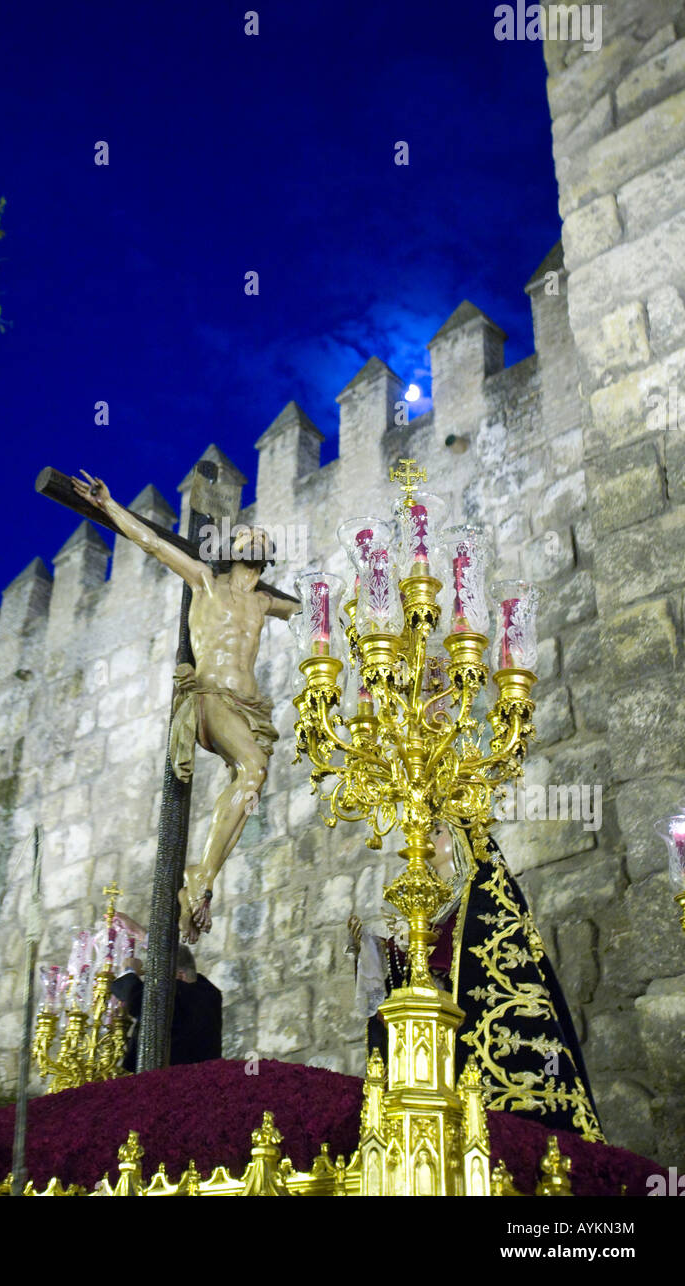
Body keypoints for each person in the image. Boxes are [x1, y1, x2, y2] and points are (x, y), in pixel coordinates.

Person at [71, 471, 296, 943]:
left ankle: (203, 880)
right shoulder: (204, 582)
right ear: (233, 551)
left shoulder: (265, 603)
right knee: (253, 767)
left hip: (247, 706)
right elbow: (151, 542)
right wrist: (109, 506)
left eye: (260, 537)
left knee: (252, 781)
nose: (254, 536)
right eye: (246, 535)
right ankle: (199, 875)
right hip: (210, 699)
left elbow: (319, 608)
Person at [347, 822, 604, 1143]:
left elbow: (475, 957)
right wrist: (373, 951)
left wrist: (432, 960)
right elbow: (413, 971)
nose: (428, 838)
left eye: (438, 830)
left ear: (461, 840)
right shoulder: (435, 909)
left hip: (477, 1034)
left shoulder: (482, 899)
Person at [110, 915, 222, 1071]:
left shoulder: (189, 994)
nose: (153, 984)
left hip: (173, 1082)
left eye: (159, 978)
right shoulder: (207, 992)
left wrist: (129, 971)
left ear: (181, 975)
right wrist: (141, 933)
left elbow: (139, 1001)